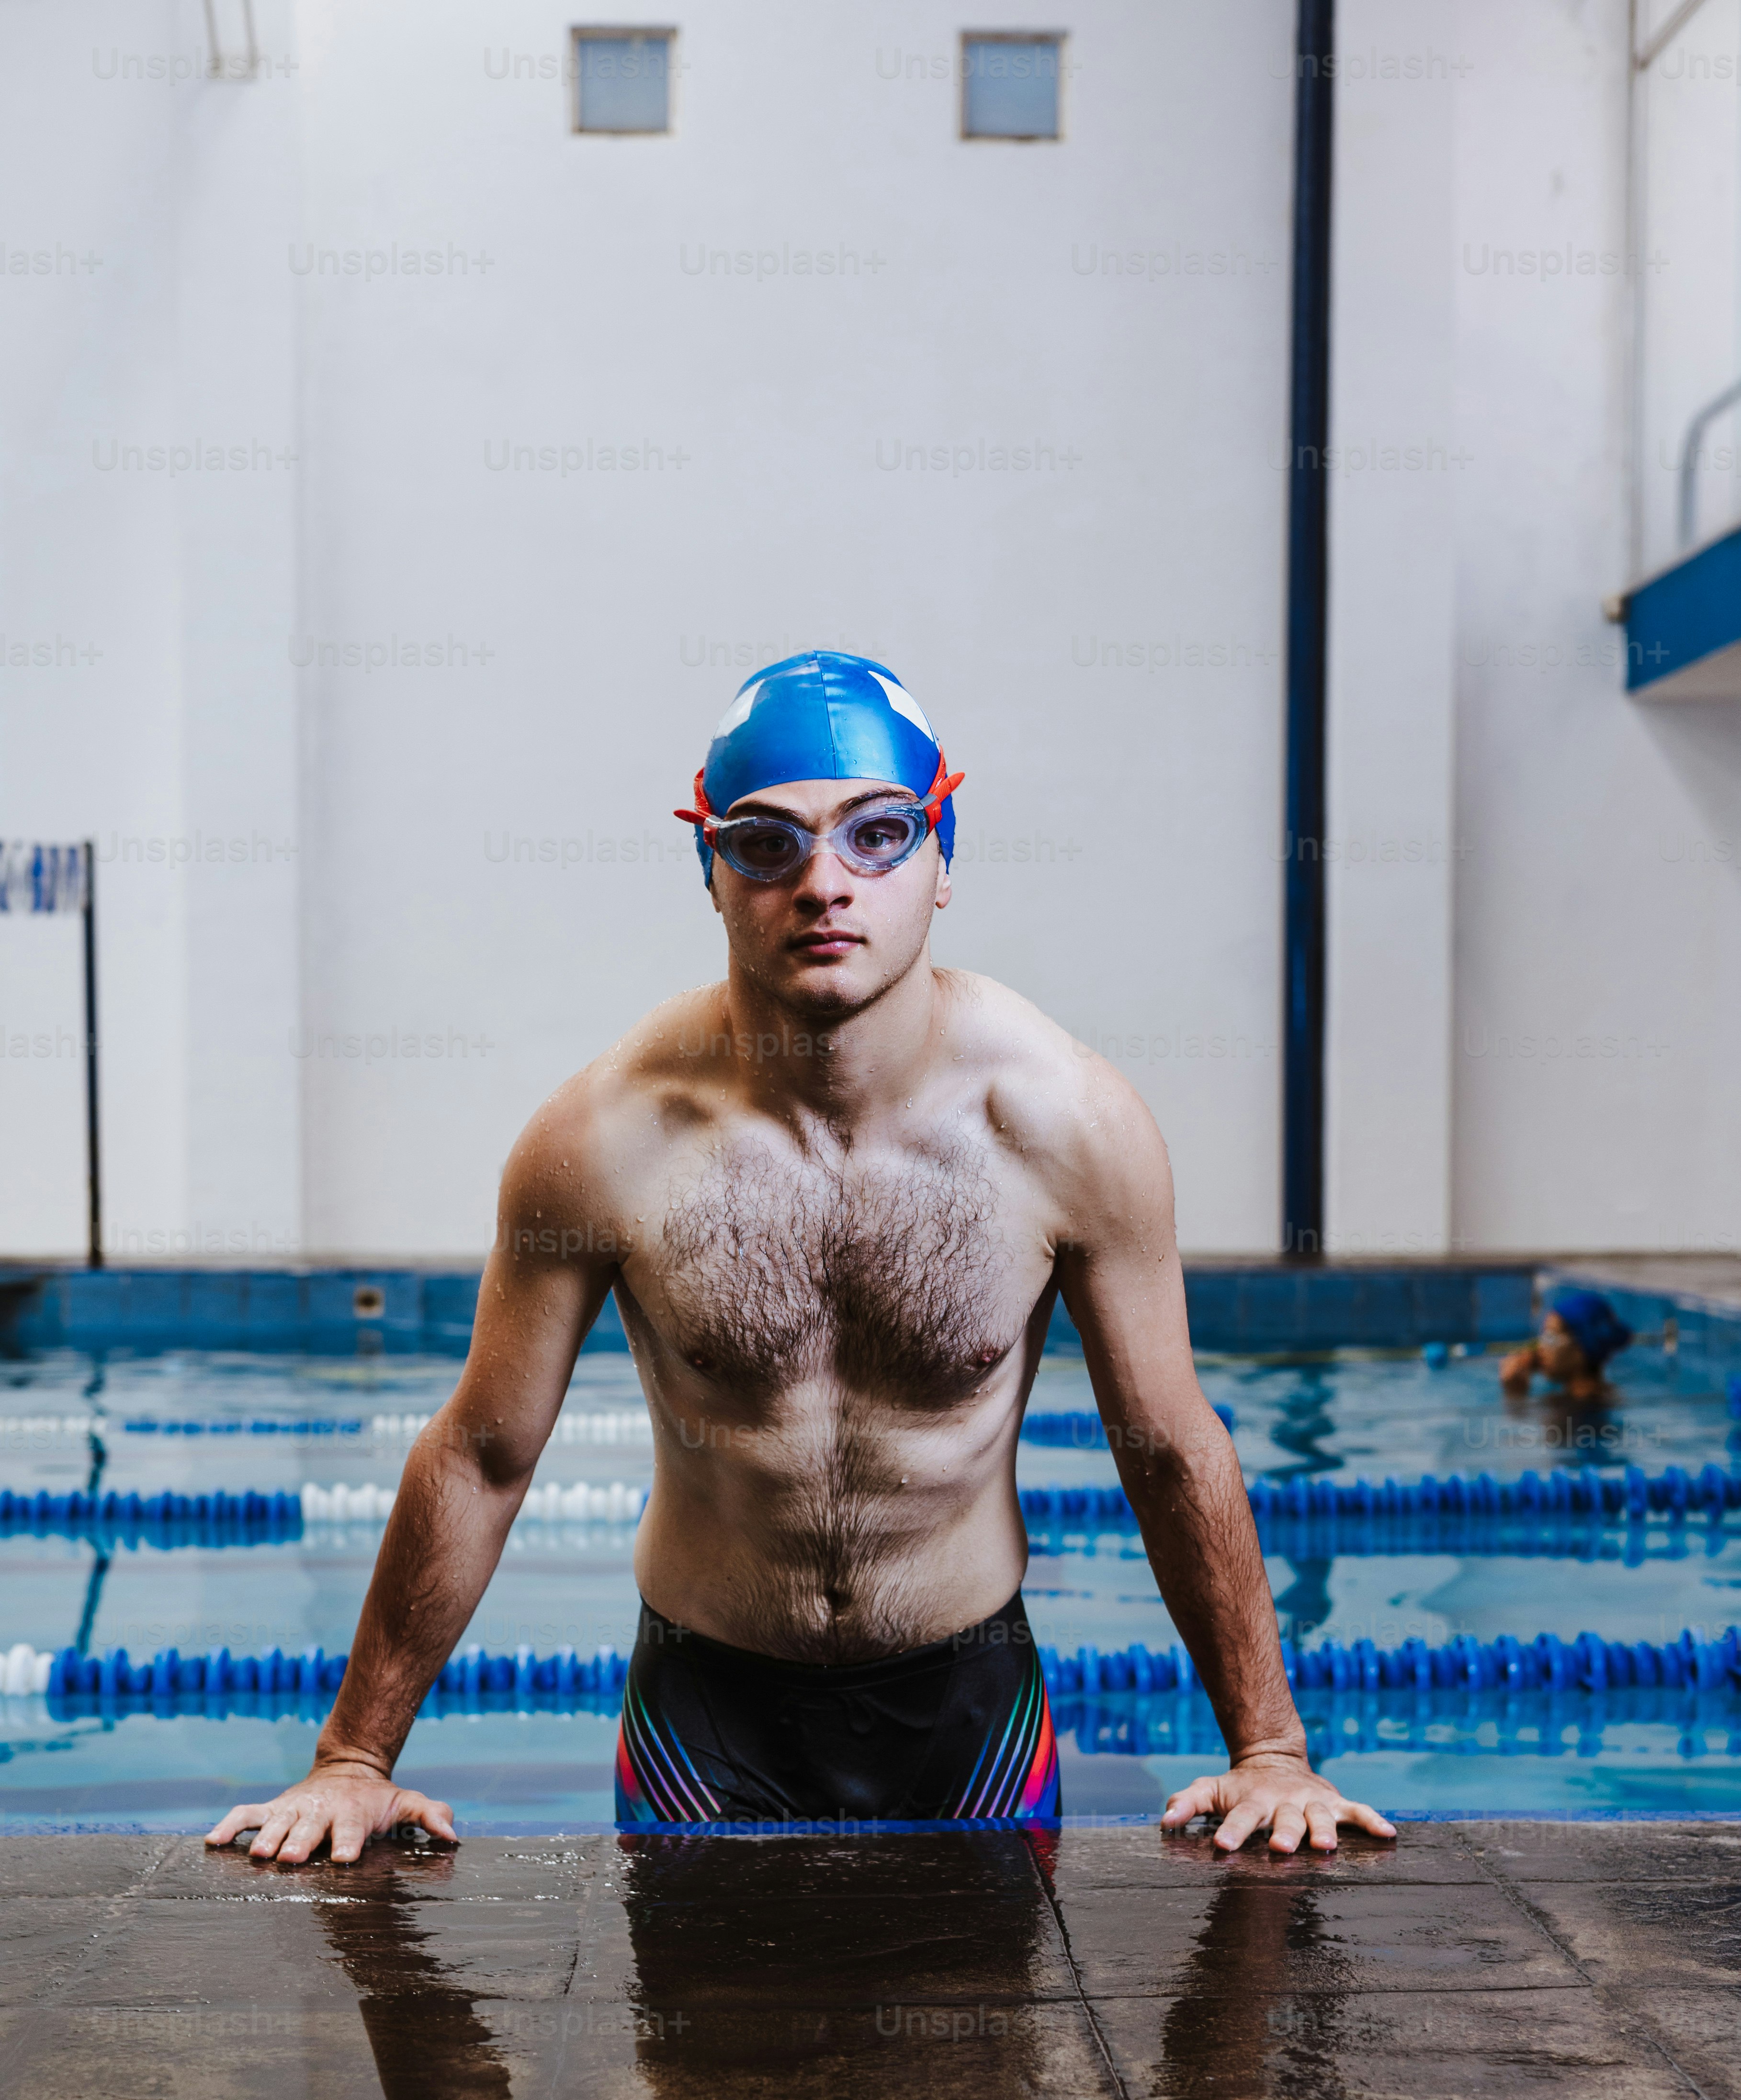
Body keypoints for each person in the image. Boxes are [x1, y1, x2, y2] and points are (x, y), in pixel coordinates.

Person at [208, 651, 1393, 1865]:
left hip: (966, 1707)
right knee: (700, 2062)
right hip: (705, 1717)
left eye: (878, 835)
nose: (825, 884)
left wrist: (1269, 1752)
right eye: (767, 844)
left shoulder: (1066, 1126)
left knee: (983, 2059)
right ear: (710, 871)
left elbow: (1166, 1440)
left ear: (943, 857)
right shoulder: (606, 1140)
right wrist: (352, 1761)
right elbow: (482, 1454)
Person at [1499, 1289, 1633, 1401]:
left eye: (1551, 1337)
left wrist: (1514, 1397)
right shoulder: (1572, 1399)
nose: (1540, 1347)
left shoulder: (1584, 1406)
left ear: (1580, 1350)